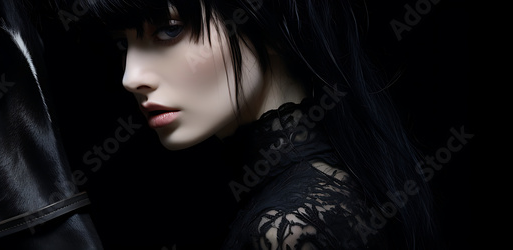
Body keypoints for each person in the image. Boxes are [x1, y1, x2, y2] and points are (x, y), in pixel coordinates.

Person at [78, 0, 441, 249]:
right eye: (123, 45)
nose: (131, 77)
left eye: (169, 30)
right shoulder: (338, 179)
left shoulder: (287, 229)